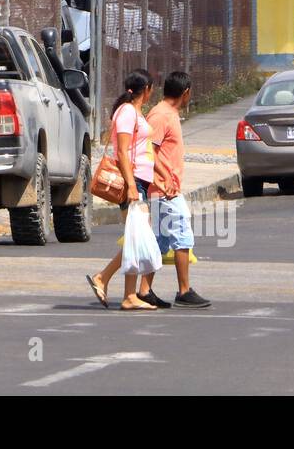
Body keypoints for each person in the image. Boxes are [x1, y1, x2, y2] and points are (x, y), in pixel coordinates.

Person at [86, 68, 157, 311]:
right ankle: (108, 281)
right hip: (133, 182)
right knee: (137, 239)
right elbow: (123, 152)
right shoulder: (127, 112)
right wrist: (130, 186)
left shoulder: (134, 112)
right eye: (151, 89)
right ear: (146, 89)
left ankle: (121, 290)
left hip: (140, 182)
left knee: (136, 240)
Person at [139, 71, 212, 309]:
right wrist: (162, 179)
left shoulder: (168, 113)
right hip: (165, 190)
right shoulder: (161, 115)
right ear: (186, 92)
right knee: (183, 237)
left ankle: (144, 290)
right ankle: (184, 290)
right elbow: (148, 149)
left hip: (165, 188)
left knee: (159, 243)